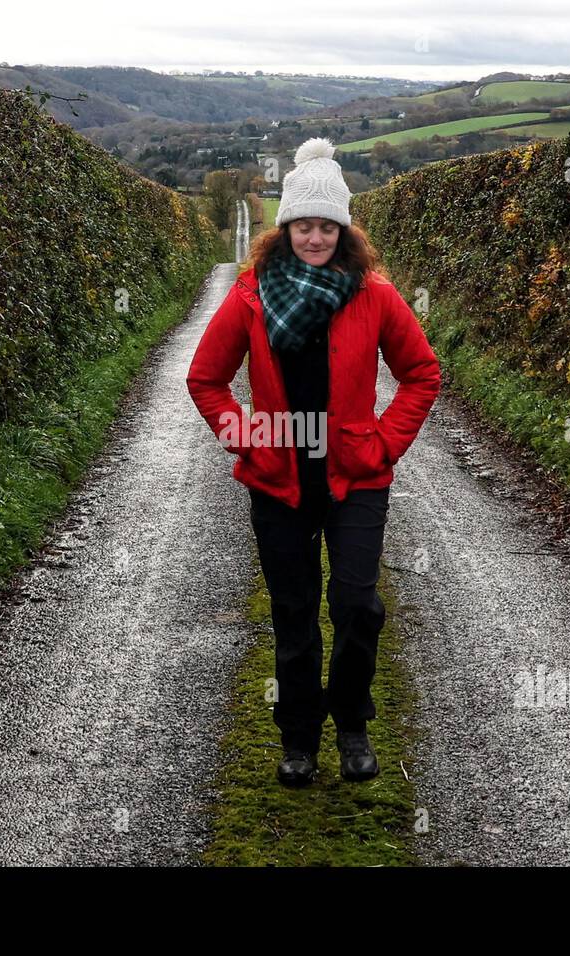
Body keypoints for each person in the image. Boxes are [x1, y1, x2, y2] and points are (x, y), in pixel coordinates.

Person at [186, 137, 440, 786]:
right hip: (278, 481)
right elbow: (205, 380)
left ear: (344, 230)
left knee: (358, 605)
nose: (315, 237)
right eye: (304, 225)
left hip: (355, 477)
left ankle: (352, 724)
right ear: (286, 227)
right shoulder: (250, 295)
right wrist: (244, 436)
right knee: (294, 614)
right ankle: (298, 740)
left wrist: (382, 445)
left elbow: (421, 374)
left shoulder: (374, 295)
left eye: (328, 226)